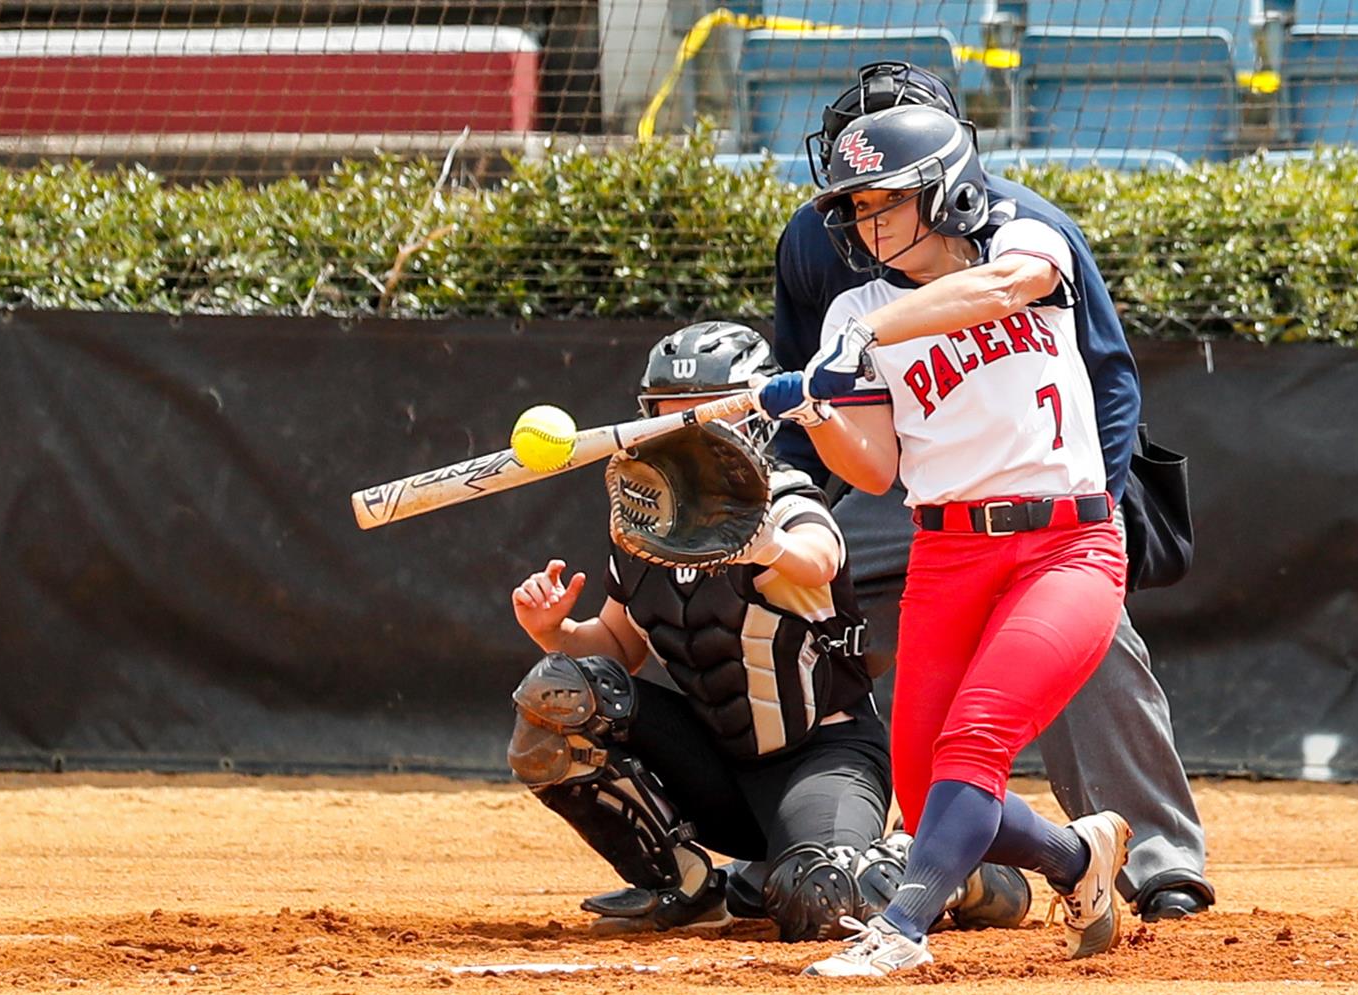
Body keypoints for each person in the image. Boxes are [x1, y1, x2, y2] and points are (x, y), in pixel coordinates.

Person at [771, 62, 1214, 924]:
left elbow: (1109, 374)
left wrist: (1092, 503)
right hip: (913, 489)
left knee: (1094, 644)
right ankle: (847, 843)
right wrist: (793, 500)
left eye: (887, 187)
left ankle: (1155, 863)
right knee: (779, 577)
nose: (867, 208)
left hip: (1050, 473)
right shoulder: (818, 238)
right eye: (855, 190)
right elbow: (827, 402)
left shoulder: (1023, 227)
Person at [505, 321, 1027, 940]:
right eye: (666, 416)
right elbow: (618, 647)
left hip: (820, 758)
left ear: (749, 419)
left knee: (823, 901)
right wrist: (555, 630)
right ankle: (684, 886)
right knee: (558, 690)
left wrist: (765, 544)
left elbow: (820, 556)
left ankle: (952, 868)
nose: (678, 434)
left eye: (699, 415)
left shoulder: (783, 501)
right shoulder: (644, 521)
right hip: (713, 766)